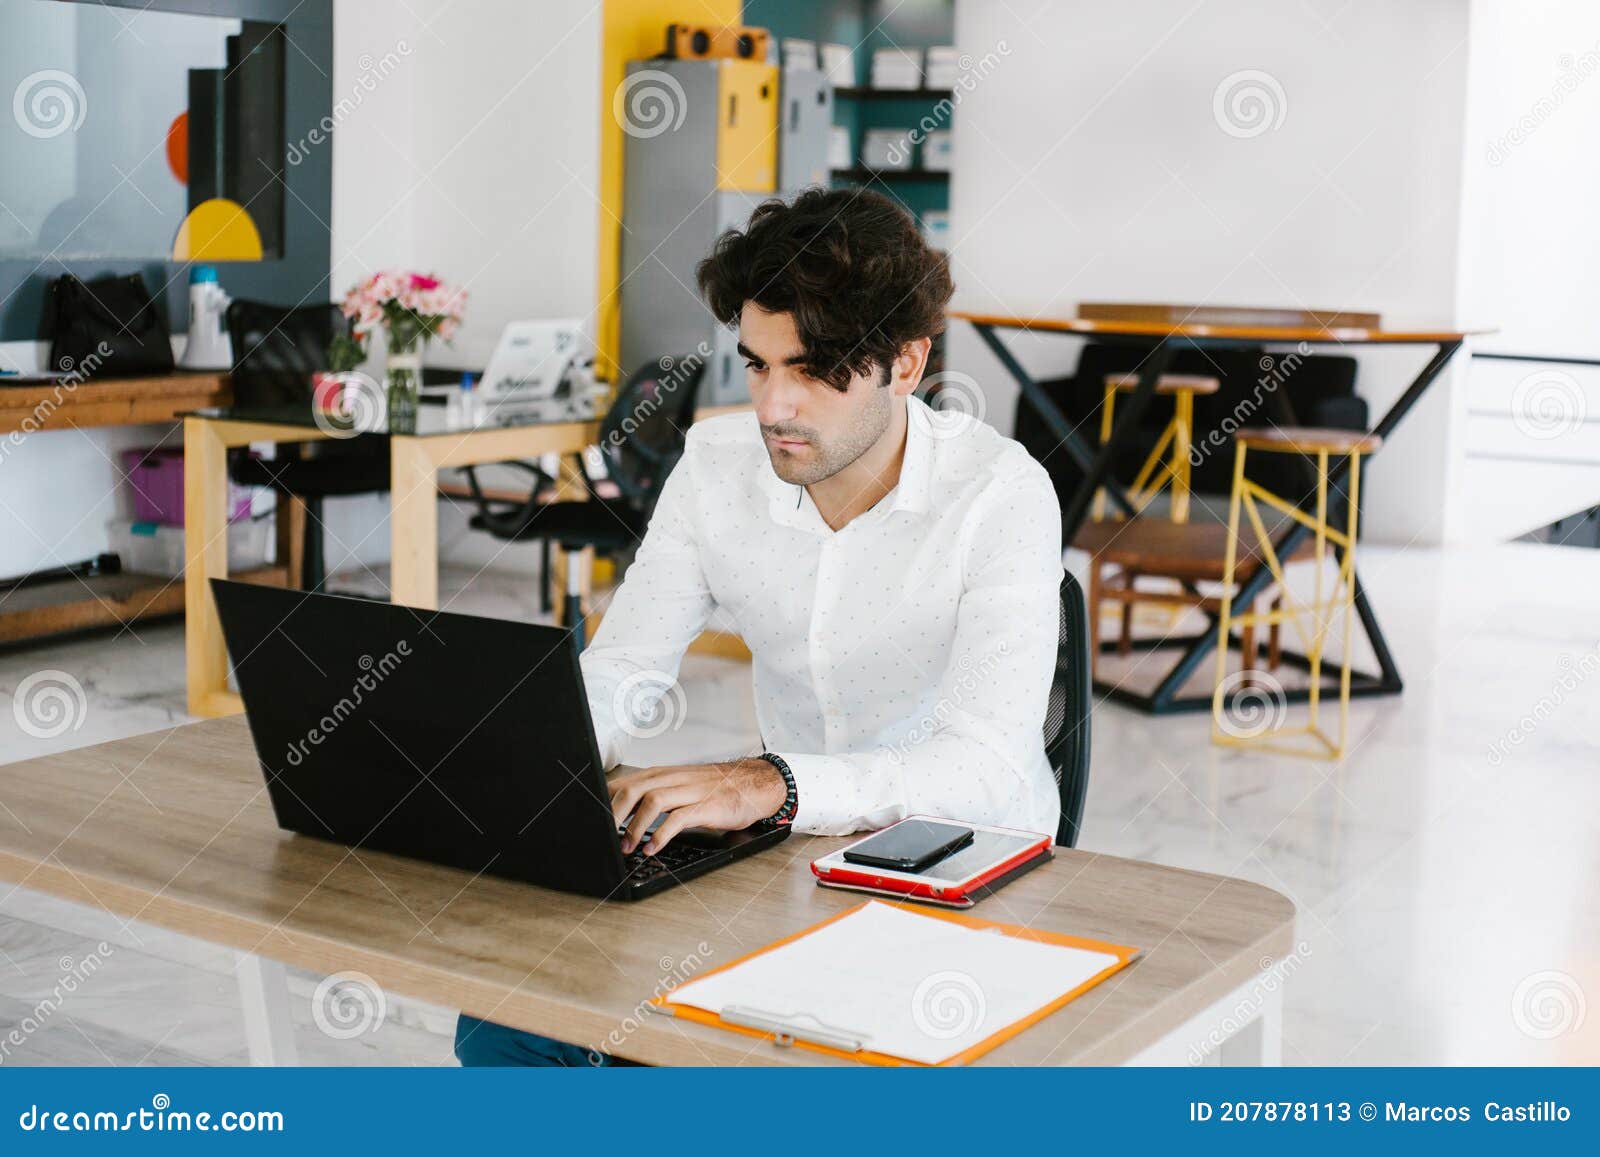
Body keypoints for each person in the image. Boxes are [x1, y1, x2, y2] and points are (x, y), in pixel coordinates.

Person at [455, 187, 1062, 1067]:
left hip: (964, 871)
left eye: (813, 369)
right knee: (511, 1018)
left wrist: (767, 783)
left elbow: (984, 763)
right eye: (758, 363)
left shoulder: (1000, 495)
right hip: (794, 860)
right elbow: (625, 663)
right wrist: (536, 765)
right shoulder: (714, 466)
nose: (775, 406)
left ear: (905, 362)